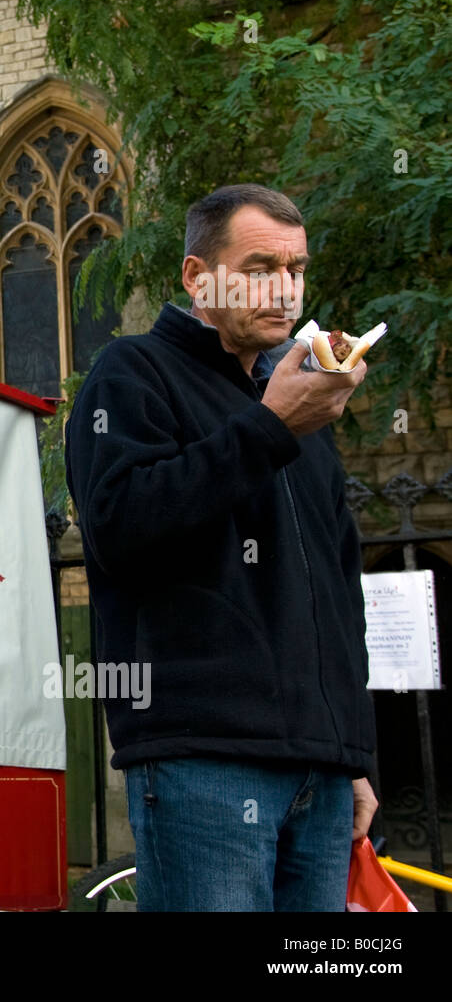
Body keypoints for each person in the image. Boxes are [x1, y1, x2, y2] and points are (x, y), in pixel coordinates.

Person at [65, 184, 379, 912]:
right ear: (196, 276)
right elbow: (120, 529)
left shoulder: (301, 403)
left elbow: (340, 591)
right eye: (260, 265)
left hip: (322, 774)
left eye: (296, 269)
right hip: (203, 761)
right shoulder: (132, 373)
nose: (286, 288)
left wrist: (353, 755)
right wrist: (268, 428)